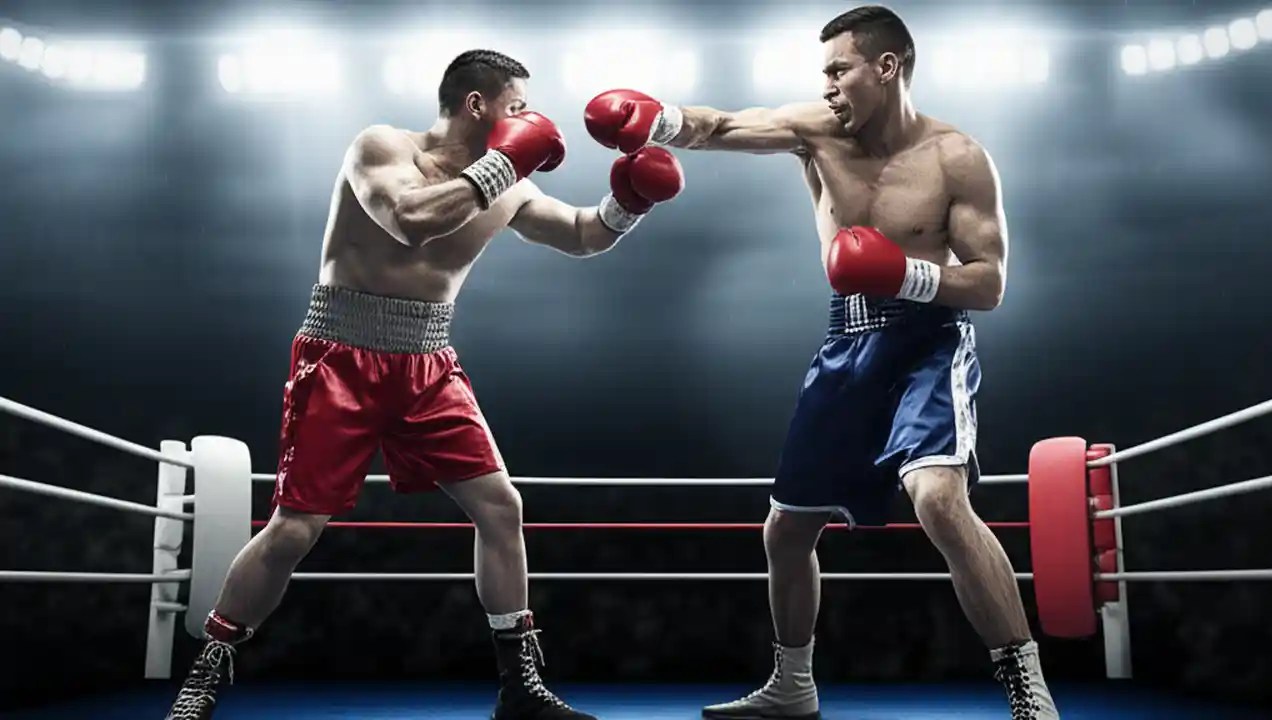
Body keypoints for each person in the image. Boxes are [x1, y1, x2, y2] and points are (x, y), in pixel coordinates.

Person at [165, 49, 685, 720]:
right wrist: (504, 163)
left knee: (502, 507)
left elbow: (582, 235)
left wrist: (629, 200)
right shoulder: (382, 147)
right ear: (479, 105)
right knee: (296, 529)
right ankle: (207, 670)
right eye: (517, 106)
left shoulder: (512, 188)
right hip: (340, 354)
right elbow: (408, 221)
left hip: (428, 361)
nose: (529, 119)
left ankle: (519, 685)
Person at [582, 6, 1057, 719]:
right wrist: (655, 121)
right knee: (787, 528)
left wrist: (902, 273)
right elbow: (719, 127)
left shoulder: (957, 157)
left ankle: (1027, 688)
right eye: (824, 73)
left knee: (936, 499)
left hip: (928, 340)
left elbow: (988, 283)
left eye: (839, 69)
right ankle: (793, 687)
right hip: (846, 340)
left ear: (887, 67)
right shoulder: (814, 131)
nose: (828, 86)